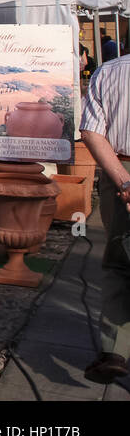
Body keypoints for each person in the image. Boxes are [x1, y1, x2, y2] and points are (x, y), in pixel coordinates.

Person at [78, 53, 130, 383]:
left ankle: (115, 350)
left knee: (120, 262)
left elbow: (91, 131)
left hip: (119, 170)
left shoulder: (111, 71)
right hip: (120, 170)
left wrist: (124, 182)